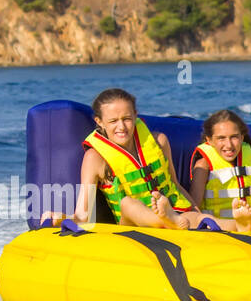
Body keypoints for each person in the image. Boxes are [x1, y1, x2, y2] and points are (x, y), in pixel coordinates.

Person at [49, 88, 208, 229]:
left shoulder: (159, 141)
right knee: (128, 204)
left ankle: (233, 222)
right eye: (113, 121)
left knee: (203, 218)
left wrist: (196, 211)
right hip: (133, 227)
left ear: (135, 115)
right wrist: (62, 219)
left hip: (176, 215)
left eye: (126, 119)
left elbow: (175, 185)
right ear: (99, 122)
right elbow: (83, 215)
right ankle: (166, 220)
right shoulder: (95, 158)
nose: (121, 127)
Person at [188, 109, 251, 231]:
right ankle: (242, 225)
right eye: (221, 138)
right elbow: (195, 211)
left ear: (242, 137)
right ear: (209, 140)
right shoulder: (203, 165)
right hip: (217, 228)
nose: (229, 145)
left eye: (234, 137)